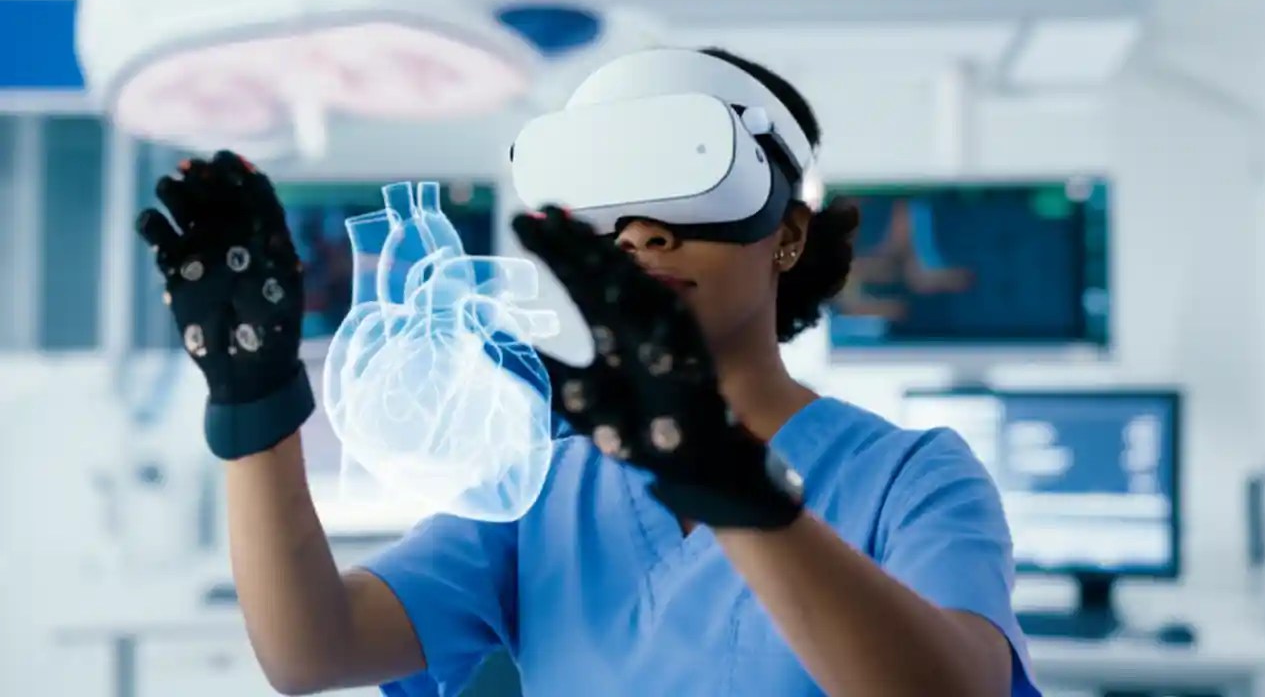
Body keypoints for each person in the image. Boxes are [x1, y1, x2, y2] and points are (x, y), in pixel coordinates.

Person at [135, 47, 1040, 697]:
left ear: (788, 236)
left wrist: (726, 483)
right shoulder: (549, 490)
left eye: (695, 189)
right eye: (621, 204)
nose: (647, 232)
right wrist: (253, 404)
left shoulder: (913, 478)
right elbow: (309, 652)